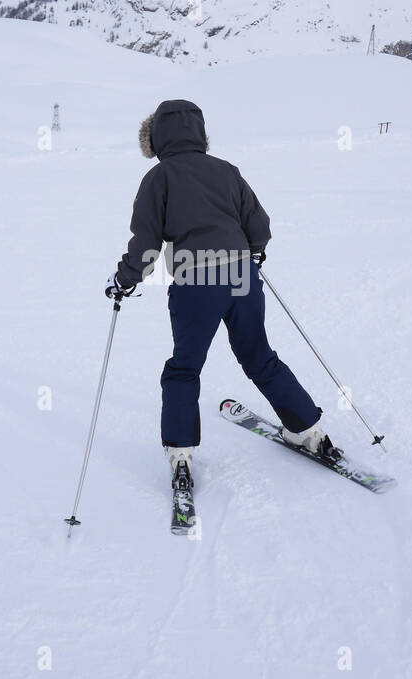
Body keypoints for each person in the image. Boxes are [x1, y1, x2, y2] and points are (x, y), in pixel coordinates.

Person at [105, 99, 337, 500]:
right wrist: (254, 251)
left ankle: (180, 456)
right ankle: (309, 432)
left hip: (196, 282)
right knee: (260, 357)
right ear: (200, 134)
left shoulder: (158, 178)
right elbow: (258, 224)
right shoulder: (226, 171)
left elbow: (146, 243)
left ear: (155, 139)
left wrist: (125, 280)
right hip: (242, 275)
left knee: (184, 368)